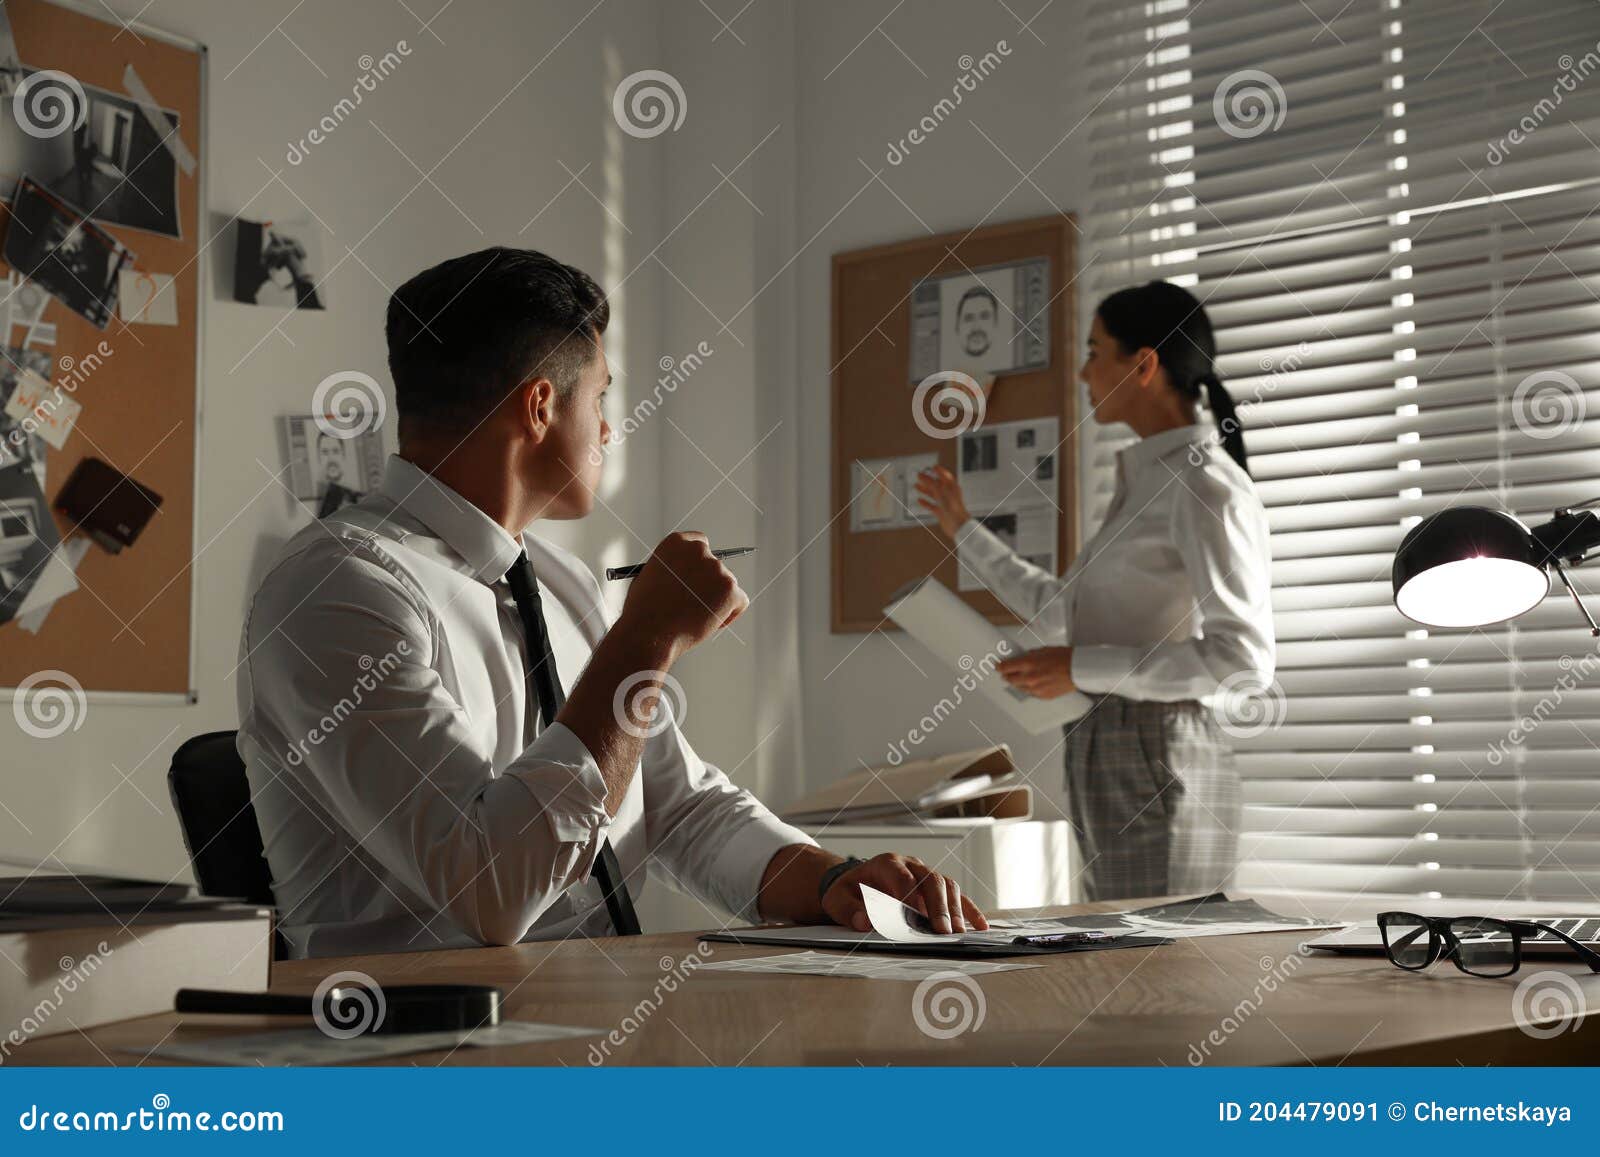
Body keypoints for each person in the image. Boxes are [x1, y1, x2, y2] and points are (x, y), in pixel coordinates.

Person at [237, 246, 987, 959]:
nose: (604, 428)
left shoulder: (562, 583)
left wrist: (830, 880)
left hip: (588, 1022)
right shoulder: (336, 591)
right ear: (538, 406)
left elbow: (677, 805)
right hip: (419, 1058)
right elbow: (490, 888)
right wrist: (645, 643)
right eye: (600, 398)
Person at [916, 280, 1274, 902]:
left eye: (1093, 350)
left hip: (1158, 749)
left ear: (1143, 365)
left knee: (1159, 975)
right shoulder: (1146, 484)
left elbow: (1242, 662)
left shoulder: (1205, 488)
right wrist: (963, 531)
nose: (1082, 372)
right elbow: (1061, 609)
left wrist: (1079, 667)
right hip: (1106, 740)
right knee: (1118, 968)